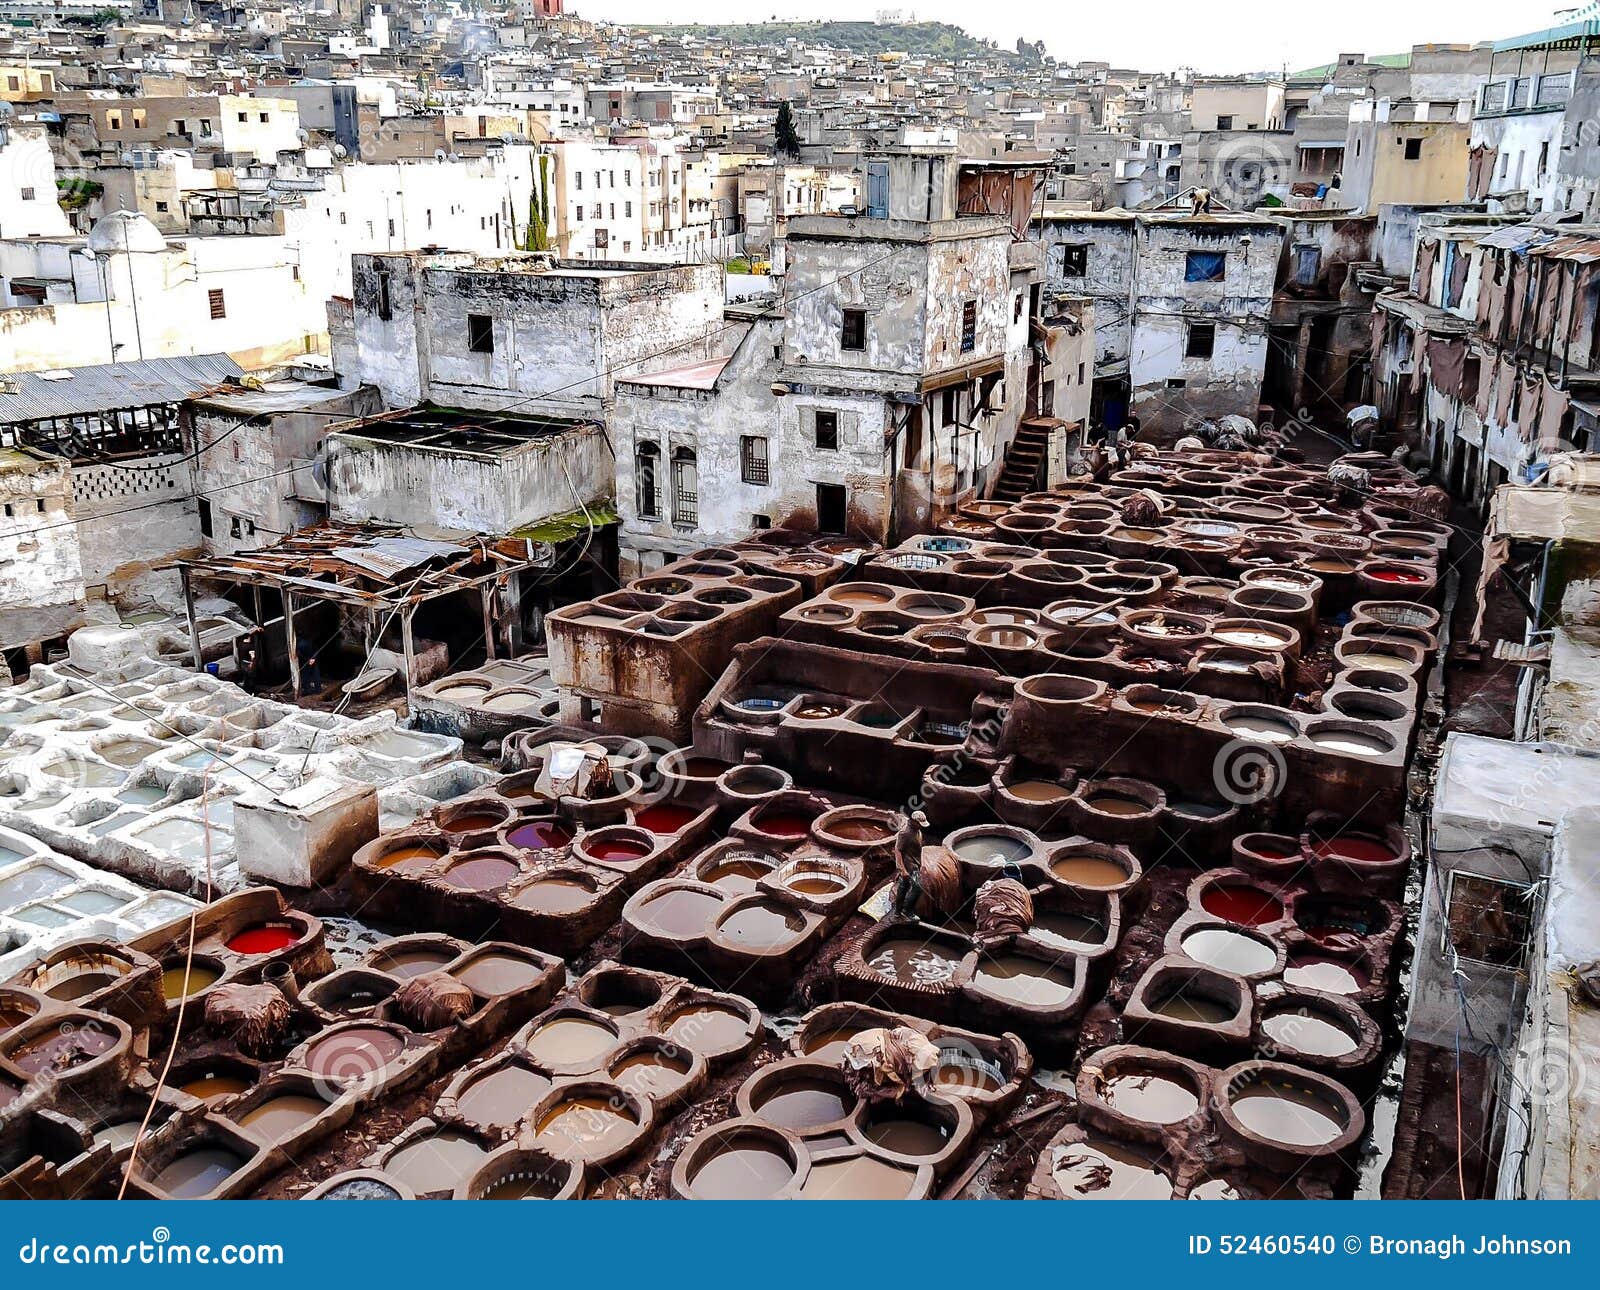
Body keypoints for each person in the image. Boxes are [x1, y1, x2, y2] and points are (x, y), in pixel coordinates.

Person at [891, 811, 927, 919]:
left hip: (915, 864)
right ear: (914, 821)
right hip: (908, 866)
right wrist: (902, 869)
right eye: (920, 823)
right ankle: (907, 911)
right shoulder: (905, 833)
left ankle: (898, 912)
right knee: (918, 887)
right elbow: (897, 850)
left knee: (904, 887)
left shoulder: (917, 831)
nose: (921, 825)